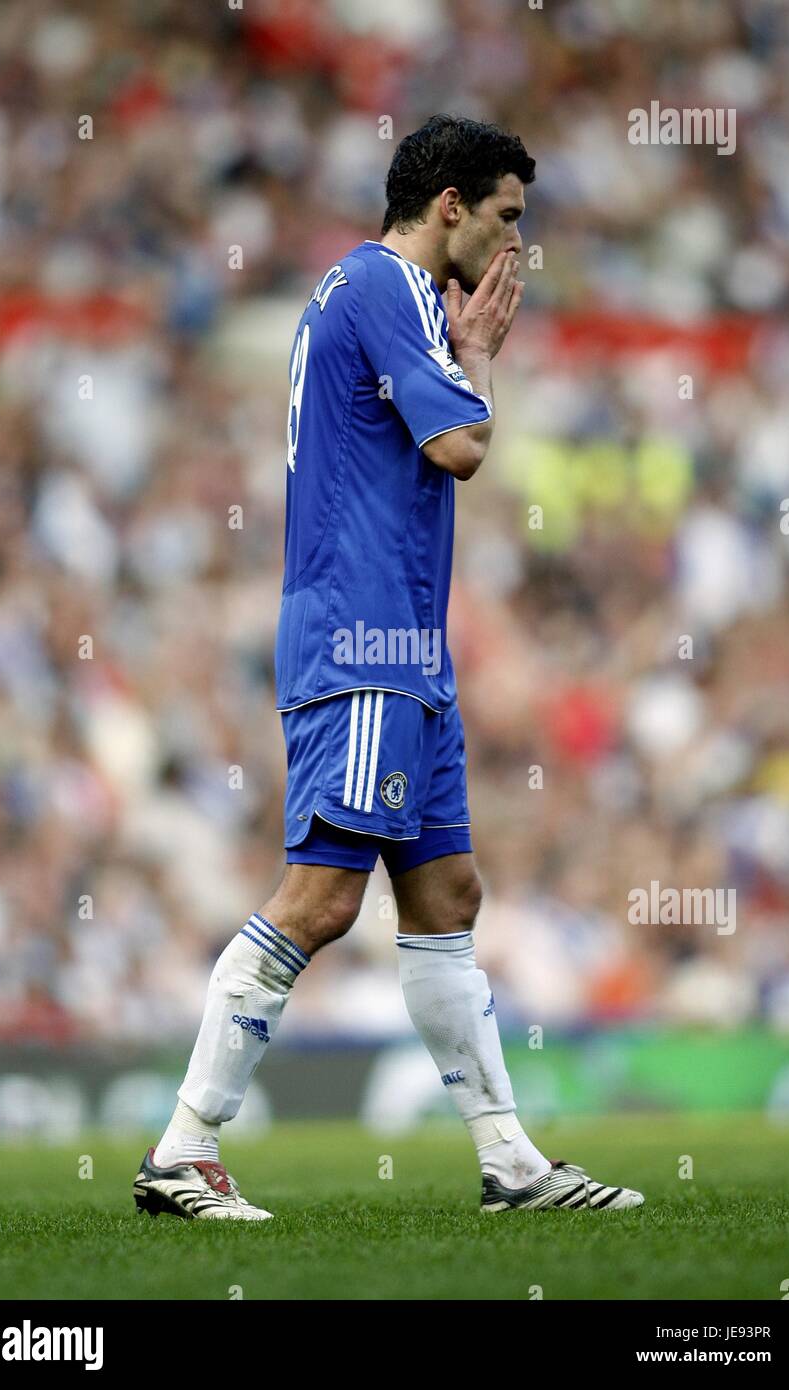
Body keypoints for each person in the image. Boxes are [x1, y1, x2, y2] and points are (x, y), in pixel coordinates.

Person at [134, 115, 643, 1220]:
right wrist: (479, 360)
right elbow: (460, 446)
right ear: (449, 205)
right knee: (320, 897)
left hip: (406, 642)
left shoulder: (364, 293)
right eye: (506, 217)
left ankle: (509, 1164)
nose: (515, 245)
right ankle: (182, 1147)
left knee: (448, 892)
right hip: (362, 635)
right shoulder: (387, 287)